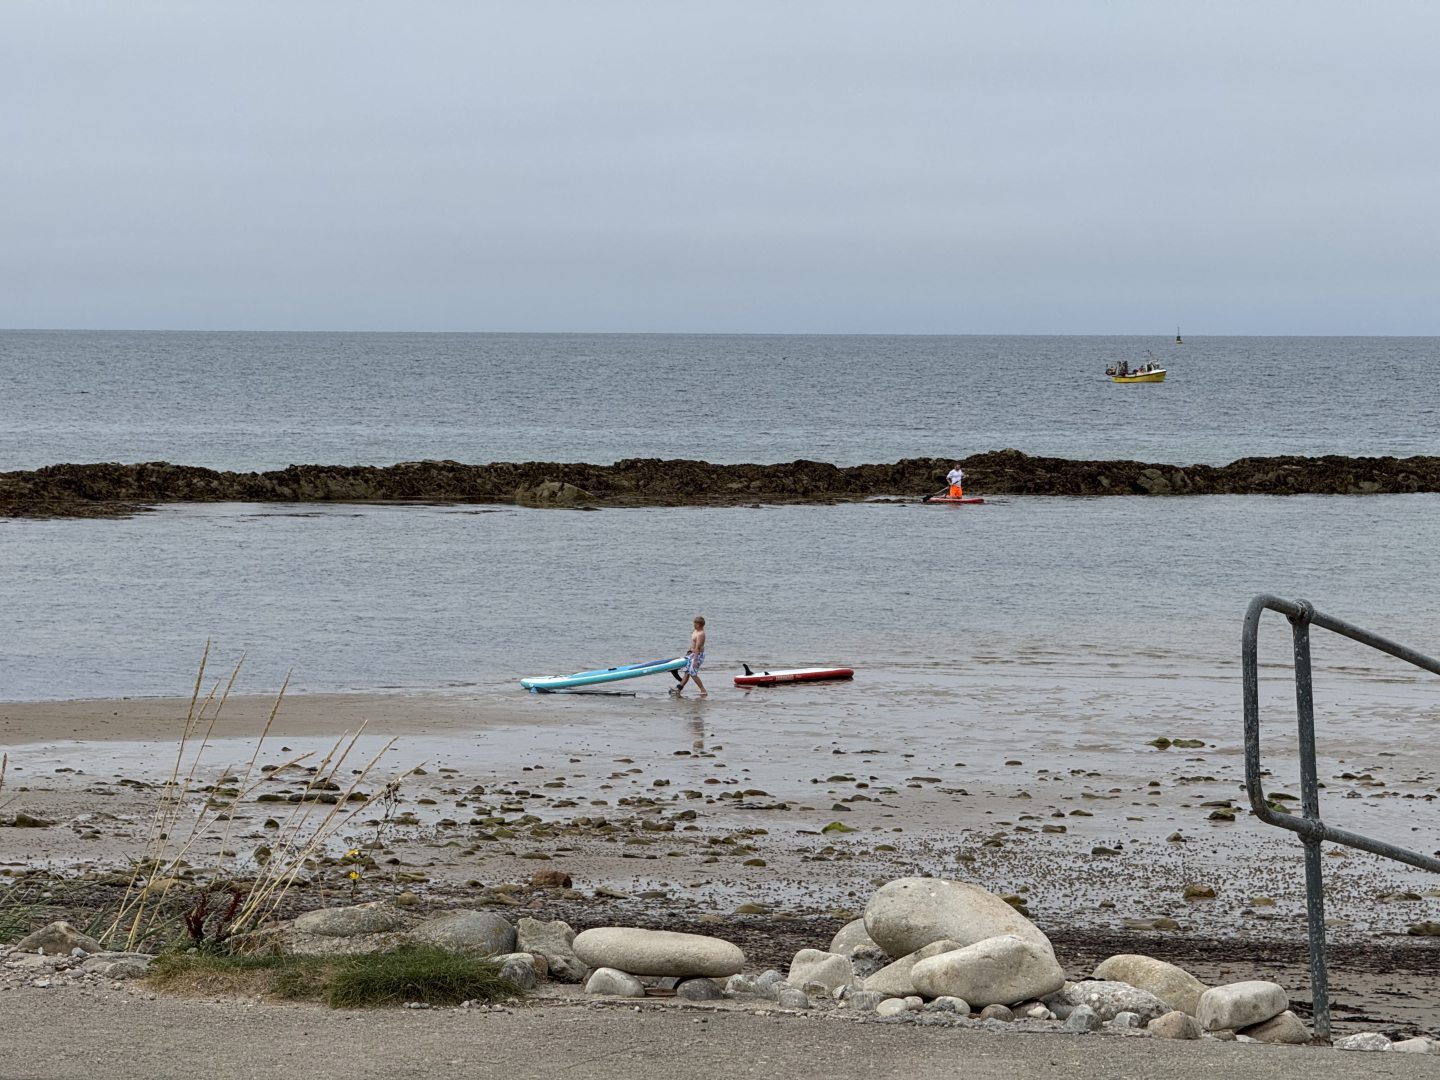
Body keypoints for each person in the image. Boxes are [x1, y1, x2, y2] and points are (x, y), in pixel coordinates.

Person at [674, 615, 707, 697]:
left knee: (692, 673)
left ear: (699, 624)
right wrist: (689, 651)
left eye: (695, 623)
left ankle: (703, 690)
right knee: (687, 672)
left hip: (698, 655)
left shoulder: (701, 634)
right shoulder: (695, 631)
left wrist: (695, 660)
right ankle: (679, 688)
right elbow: (693, 644)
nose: (694, 625)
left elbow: (698, 647)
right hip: (692, 654)